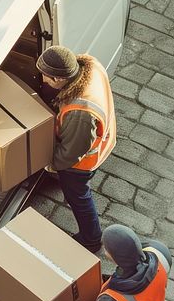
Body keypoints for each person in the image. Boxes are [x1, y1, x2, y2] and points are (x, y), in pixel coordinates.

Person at [36, 46, 116, 254]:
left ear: (59, 79)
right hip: (102, 135)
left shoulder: (79, 111)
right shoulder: (90, 65)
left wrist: (50, 164)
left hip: (80, 164)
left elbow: (71, 153)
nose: (43, 79)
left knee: (78, 196)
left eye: (46, 76)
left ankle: (91, 238)